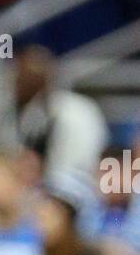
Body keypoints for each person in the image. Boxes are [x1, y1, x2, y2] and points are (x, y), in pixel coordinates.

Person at [8, 45, 107, 187]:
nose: (15, 84)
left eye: (21, 77)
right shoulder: (31, 112)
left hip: (77, 184)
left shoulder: (77, 111)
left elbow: (83, 160)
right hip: (41, 186)